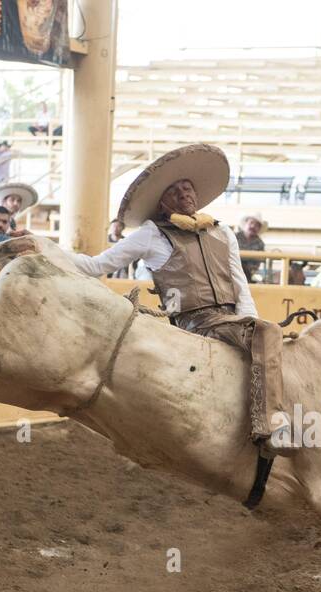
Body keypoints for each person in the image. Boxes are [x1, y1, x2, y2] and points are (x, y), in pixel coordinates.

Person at [57, 143, 288, 458]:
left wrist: (251, 320)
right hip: (196, 321)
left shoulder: (222, 232)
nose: (185, 193)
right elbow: (98, 266)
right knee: (269, 334)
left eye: (189, 187)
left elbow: (239, 284)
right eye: (176, 189)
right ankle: (267, 425)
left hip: (231, 319)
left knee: (267, 333)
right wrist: (47, 248)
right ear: (162, 204)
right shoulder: (152, 233)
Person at [235, 213, 266, 282]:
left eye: (257, 225)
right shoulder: (234, 237)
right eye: (251, 222)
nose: (253, 226)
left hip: (249, 274)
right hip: (232, 270)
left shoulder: (260, 244)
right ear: (246, 223)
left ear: (259, 229)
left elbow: (257, 264)